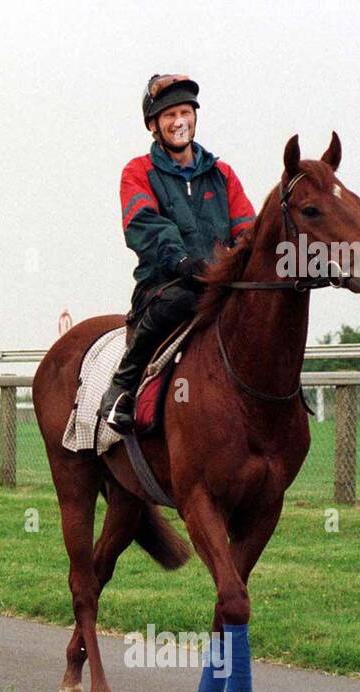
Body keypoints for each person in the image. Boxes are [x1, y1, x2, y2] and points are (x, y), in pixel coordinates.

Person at [99, 75, 256, 433]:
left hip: (219, 283)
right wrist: (182, 261)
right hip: (165, 283)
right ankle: (122, 388)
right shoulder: (138, 171)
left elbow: (247, 228)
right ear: (154, 125)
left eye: (185, 111)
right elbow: (143, 224)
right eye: (169, 114)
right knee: (181, 300)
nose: (179, 121)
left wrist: (236, 262)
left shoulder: (222, 173)